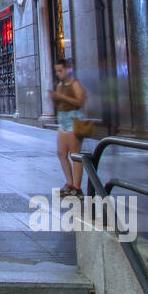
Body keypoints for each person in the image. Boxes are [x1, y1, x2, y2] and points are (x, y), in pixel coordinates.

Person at [49, 59, 87, 197]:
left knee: (74, 154)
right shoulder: (60, 85)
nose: (58, 74)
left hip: (74, 120)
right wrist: (55, 98)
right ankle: (69, 183)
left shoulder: (75, 84)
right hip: (63, 121)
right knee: (61, 153)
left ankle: (76, 187)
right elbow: (59, 103)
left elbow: (80, 102)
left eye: (60, 70)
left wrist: (62, 97)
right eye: (57, 71)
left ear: (68, 69)